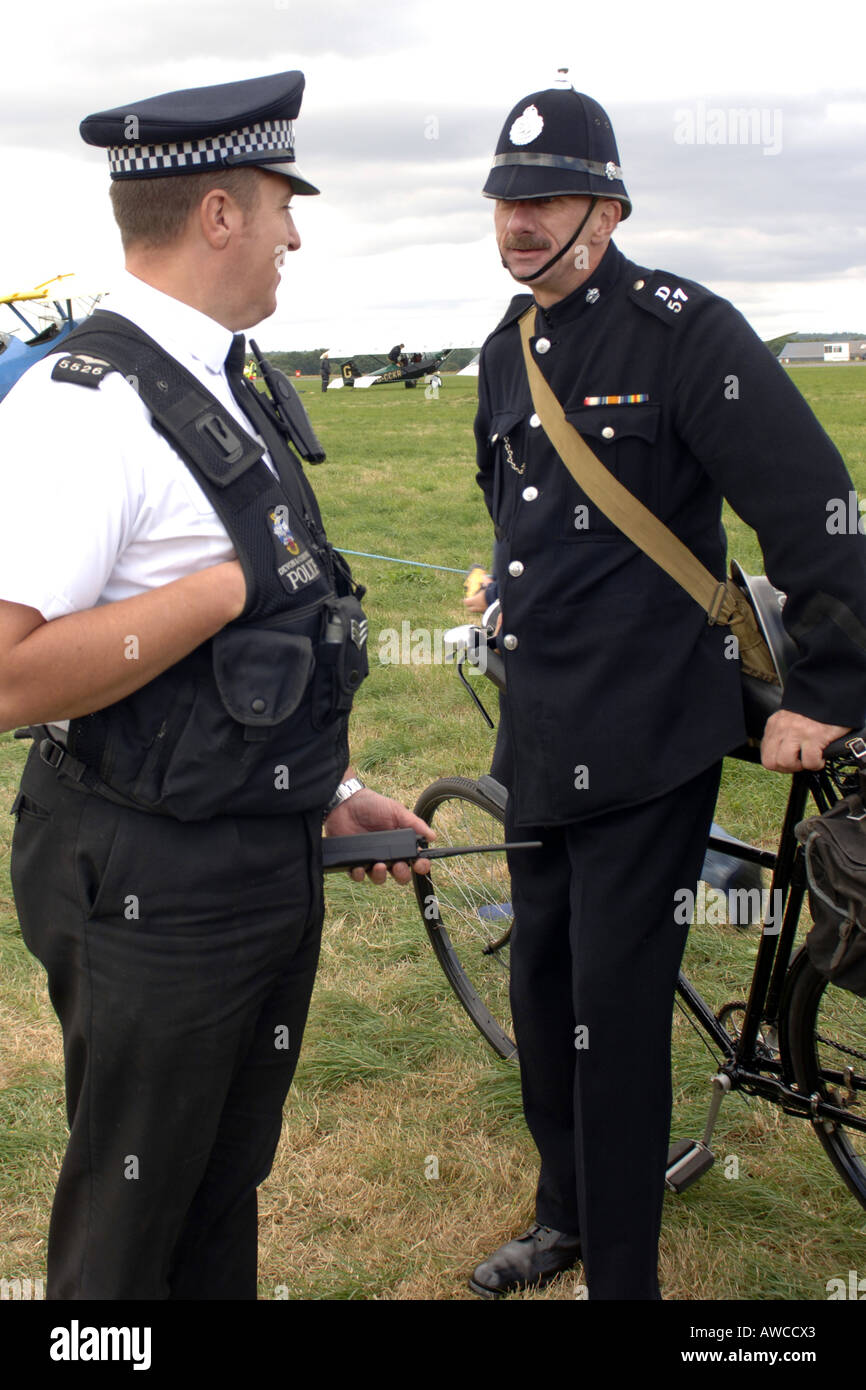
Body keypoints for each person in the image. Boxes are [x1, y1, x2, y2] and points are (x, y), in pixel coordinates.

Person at [0, 69, 431, 1301]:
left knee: (211, 1190)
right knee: (131, 1232)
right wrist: (215, 590)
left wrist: (330, 786)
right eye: (282, 203)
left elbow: (271, 640)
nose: (296, 231)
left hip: (249, 849)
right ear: (220, 214)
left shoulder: (217, 382)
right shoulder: (89, 405)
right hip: (152, 873)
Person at [468, 82, 866, 1300]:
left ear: (609, 207)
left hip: (648, 733)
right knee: (542, 985)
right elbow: (530, 516)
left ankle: (622, 1277)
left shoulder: (685, 331)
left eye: (544, 199)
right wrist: (500, 588)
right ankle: (565, 1213)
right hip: (539, 727)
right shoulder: (502, 349)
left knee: (613, 1007)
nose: (518, 221)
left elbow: (818, 513)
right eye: (503, 199)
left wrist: (832, 684)